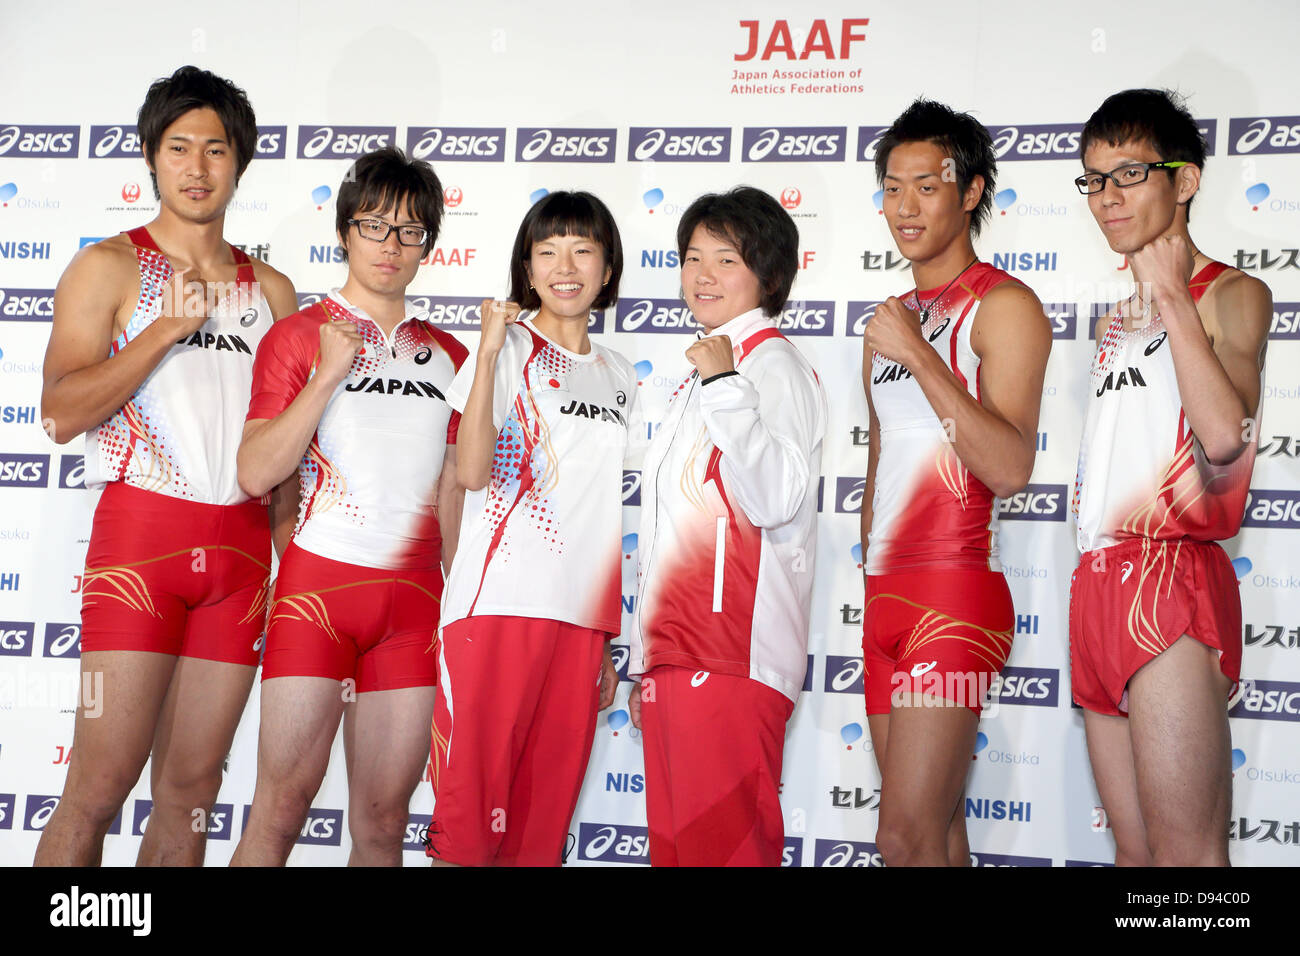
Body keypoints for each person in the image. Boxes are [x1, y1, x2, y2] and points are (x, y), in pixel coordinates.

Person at [34, 66, 297, 866]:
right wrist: (158, 334)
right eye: (178, 147)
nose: (196, 167)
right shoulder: (110, 267)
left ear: (238, 163)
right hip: (139, 547)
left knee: (191, 795)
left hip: (243, 554)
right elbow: (58, 413)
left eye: (214, 150)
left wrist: (294, 564)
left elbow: (284, 454)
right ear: (151, 157)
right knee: (98, 786)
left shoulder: (275, 291)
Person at [229, 147, 463, 866]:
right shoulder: (300, 336)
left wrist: (459, 609)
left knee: (385, 823)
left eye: (410, 231)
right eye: (374, 226)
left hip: (416, 605)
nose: (391, 246)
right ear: (344, 232)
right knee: (280, 810)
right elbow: (255, 472)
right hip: (319, 595)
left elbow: (457, 493)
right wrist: (329, 375)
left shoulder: (451, 354)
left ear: (428, 243)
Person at [1070, 89, 1270, 867]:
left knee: (1188, 856)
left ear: (1184, 181)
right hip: (1097, 580)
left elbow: (1225, 438)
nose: (1107, 198)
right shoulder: (1112, 317)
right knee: (1134, 854)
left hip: (1171, 575)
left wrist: (1175, 298)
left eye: (1129, 174)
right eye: (1093, 180)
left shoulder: (1230, 292)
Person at [858, 99, 1051, 866]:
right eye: (892, 188)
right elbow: (880, 462)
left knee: (902, 840)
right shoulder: (891, 317)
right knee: (936, 835)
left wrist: (922, 356)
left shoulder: (1005, 305)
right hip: (885, 600)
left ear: (970, 193)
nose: (905, 207)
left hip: (953, 599)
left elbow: (1008, 467)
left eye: (926, 187)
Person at [424, 191, 629, 867]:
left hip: (578, 625)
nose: (564, 266)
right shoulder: (508, 348)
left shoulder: (621, 374)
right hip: (499, 609)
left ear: (607, 267)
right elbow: (473, 471)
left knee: (538, 836)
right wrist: (486, 356)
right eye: (547, 251)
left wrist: (601, 637)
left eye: (582, 249)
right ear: (526, 266)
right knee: (468, 831)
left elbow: (597, 510)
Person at [625, 187, 825, 867]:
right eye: (692, 258)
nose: (702, 275)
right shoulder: (706, 367)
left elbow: (774, 497)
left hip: (732, 654)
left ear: (769, 274)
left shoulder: (769, 365)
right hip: (678, 654)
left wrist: (725, 387)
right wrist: (642, 652)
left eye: (726, 259)